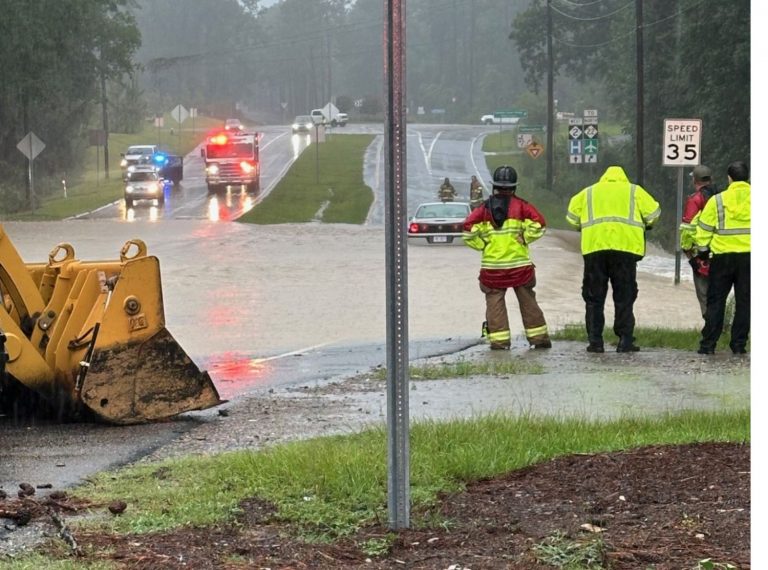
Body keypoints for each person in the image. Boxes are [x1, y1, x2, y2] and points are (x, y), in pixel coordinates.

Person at [566, 165, 661, 353]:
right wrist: (646, 225)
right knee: (624, 296)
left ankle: (595, 342)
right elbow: (654, 214)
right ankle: (625, 341)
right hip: (625, 251)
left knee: (594, 298)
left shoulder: (588, 192)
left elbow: (572, 217)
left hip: (595, 250)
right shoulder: (635, 191)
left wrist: (583, 227)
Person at [462, 165, 552, 350]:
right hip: (520, 267)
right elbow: (540, 224)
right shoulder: (523, 206)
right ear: (514, 186)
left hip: (492, 268)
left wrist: (483, 246)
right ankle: (539, 339)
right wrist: (525, 238)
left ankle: (500, 342)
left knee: (495, 304)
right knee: (528, 302)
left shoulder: (482, 210)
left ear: (494, 186)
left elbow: (467, 230)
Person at [695, 160, 750, 355]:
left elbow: (703, 229)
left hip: (722, 258)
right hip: (750, 259)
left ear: (729, 178)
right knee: (746, 302)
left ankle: (708, 344)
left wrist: (702, 251)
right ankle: (739, 345)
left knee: (716, 301)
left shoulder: (718, 200)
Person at [679, 165, 720, 319]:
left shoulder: (695, 199)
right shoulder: (721, 197)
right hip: (721, 251)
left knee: (703, 293)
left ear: (694, 180)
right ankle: (720, 325)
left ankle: (710, 326)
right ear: (711, 179)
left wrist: (687, 250)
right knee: (718, 293)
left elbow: (687, 228)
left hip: (700, 255)